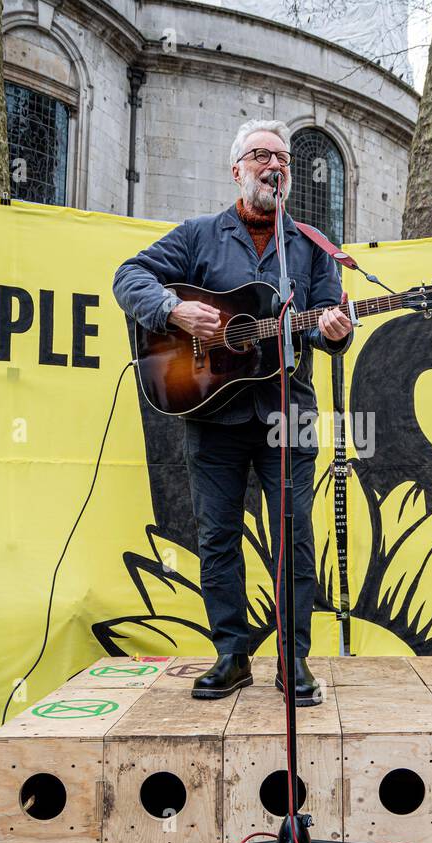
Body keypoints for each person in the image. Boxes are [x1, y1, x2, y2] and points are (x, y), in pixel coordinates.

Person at [113, 119, 354, 703]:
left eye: (284, 158)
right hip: (212, 413)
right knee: (217, 536)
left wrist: (335, 330)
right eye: (261, 155)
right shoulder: (199, 235)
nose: (275, 165)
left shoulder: (312, 245)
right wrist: (173, 310)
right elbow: (128, 276)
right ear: (237, 169)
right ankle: (232, 655)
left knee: (292, 538)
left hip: (287, 412)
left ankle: (292, 661)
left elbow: (326, 326)